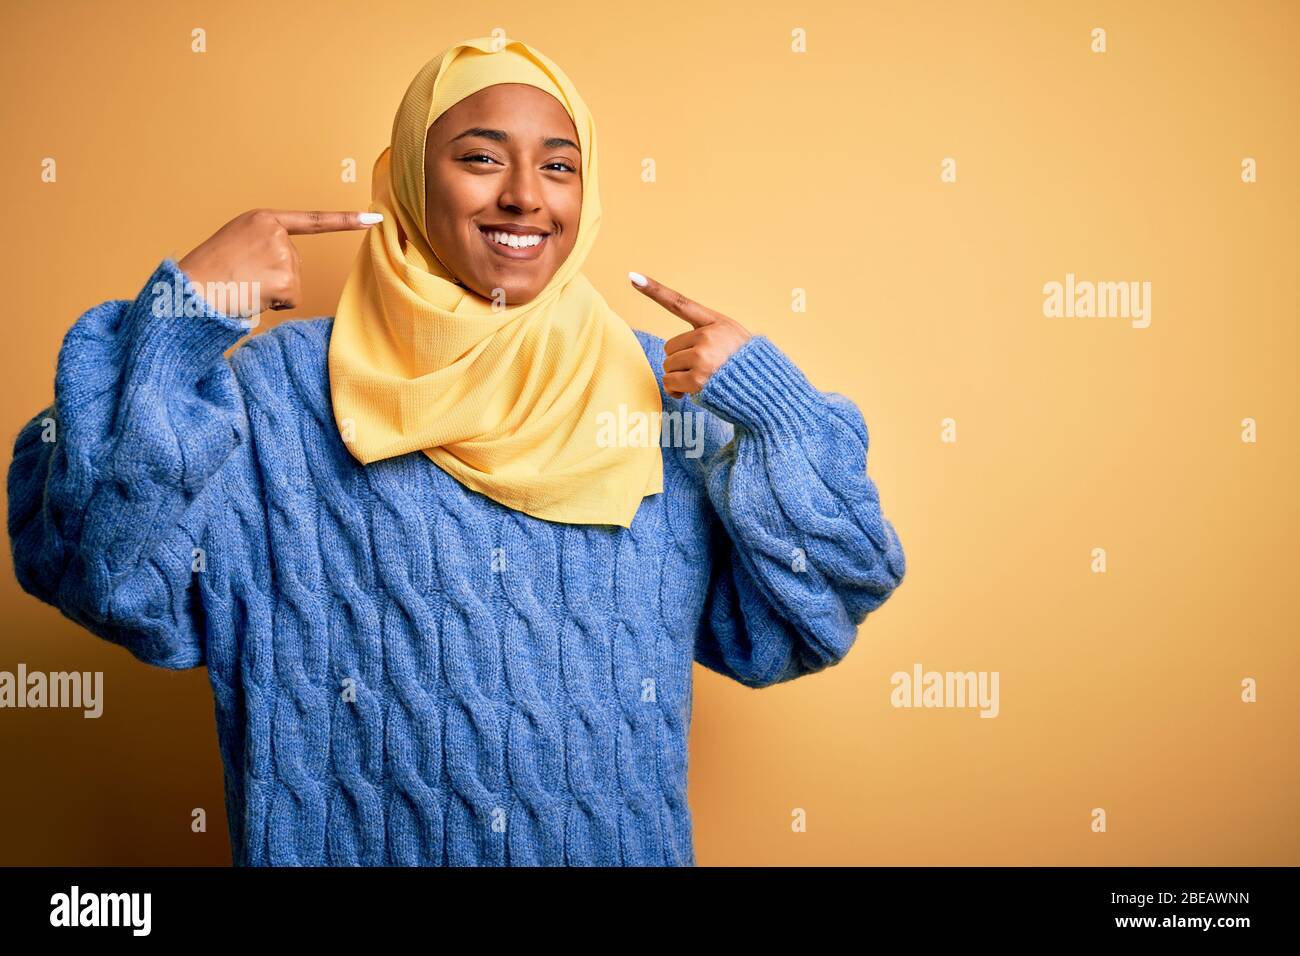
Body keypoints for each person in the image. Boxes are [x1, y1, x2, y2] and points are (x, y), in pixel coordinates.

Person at [6, 35, 906, 866]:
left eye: (560, 166)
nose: (524, 194)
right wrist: (179, 319)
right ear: (407, 178)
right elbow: (99, 571)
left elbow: (811, 617)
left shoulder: (656, 393)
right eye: (480, 157)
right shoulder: (272, 395)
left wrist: (776, 416)